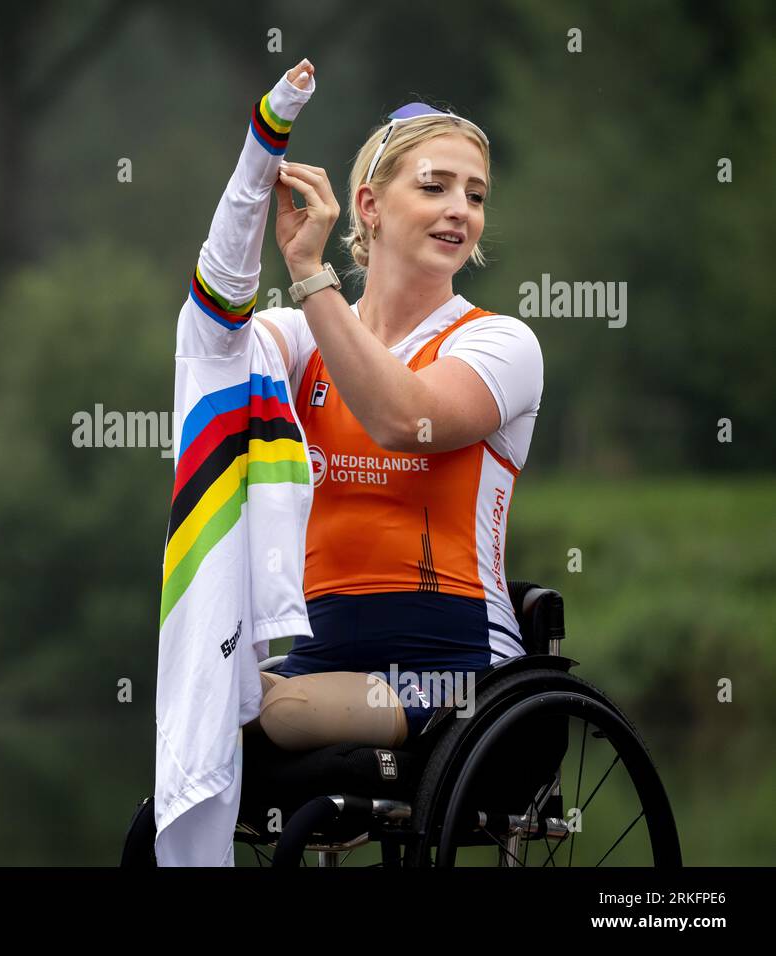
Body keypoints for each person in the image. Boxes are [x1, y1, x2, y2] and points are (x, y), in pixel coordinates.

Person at [247, 60, 544, 750]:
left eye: (475, 195)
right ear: (370, 207)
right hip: (322, 657)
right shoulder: (295, 335)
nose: (460, 210)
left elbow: (406, 422)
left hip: (458, 673)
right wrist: (249, 192)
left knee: (278, 713)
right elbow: (210, 347)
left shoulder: (502, 342)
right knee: (197, 703)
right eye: (434, 187)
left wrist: (305, 272)